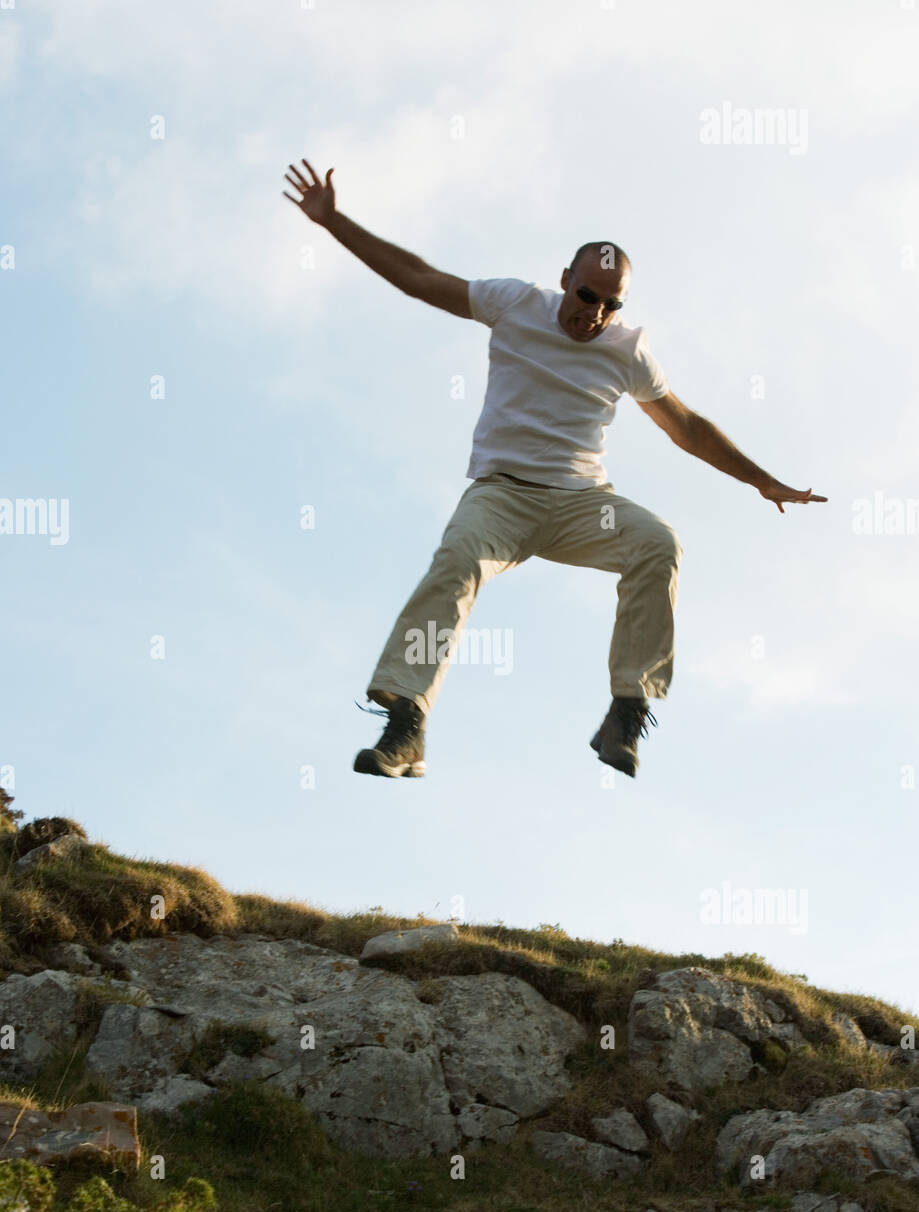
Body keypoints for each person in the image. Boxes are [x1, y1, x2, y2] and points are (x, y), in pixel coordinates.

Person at [283, 157, 827, 780]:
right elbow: (416, 277)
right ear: (564, 279)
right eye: (586, 296)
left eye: (609, 306)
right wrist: (333, 222)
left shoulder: (628, 352)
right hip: (501, 497)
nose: (592, 315)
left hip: (582, 503)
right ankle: (406, 722)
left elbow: (687, 427)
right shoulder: (514, 303)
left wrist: (761, 479)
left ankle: (627, 709)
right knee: (457, 562)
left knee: (658, 543)